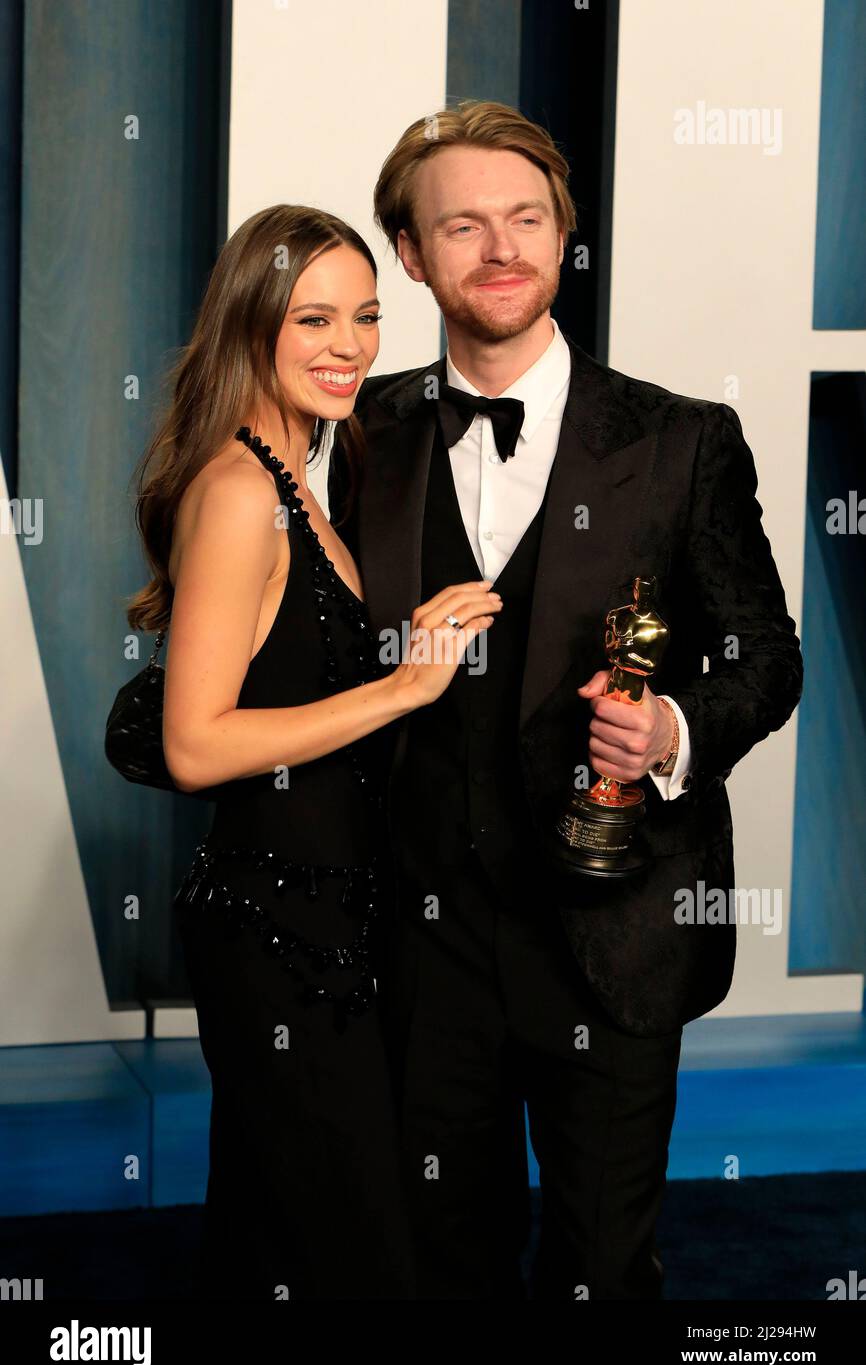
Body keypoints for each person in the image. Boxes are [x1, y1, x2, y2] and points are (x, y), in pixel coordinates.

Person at [328, 100, 804, 1300]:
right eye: (464, 226)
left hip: (614, 927)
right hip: (422, 938)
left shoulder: (683, 439)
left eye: (526, 219)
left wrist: (674, 731)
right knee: (441, 1262)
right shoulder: (362, 429)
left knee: (600, 1266)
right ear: (410, 250)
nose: (501, 249)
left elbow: (764, 655)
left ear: (562, 233)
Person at [125, 203, 500, 1299]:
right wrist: (403, 684)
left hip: (335, 922)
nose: (350, 346)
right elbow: (195, 744)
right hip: (276, 935)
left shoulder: (306, 485)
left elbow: (293, 679)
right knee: (347, 1250)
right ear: (252, 327)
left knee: (282, 1238)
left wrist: (411, 644)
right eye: (314, 319)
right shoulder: (242, 493)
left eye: (369, 317)